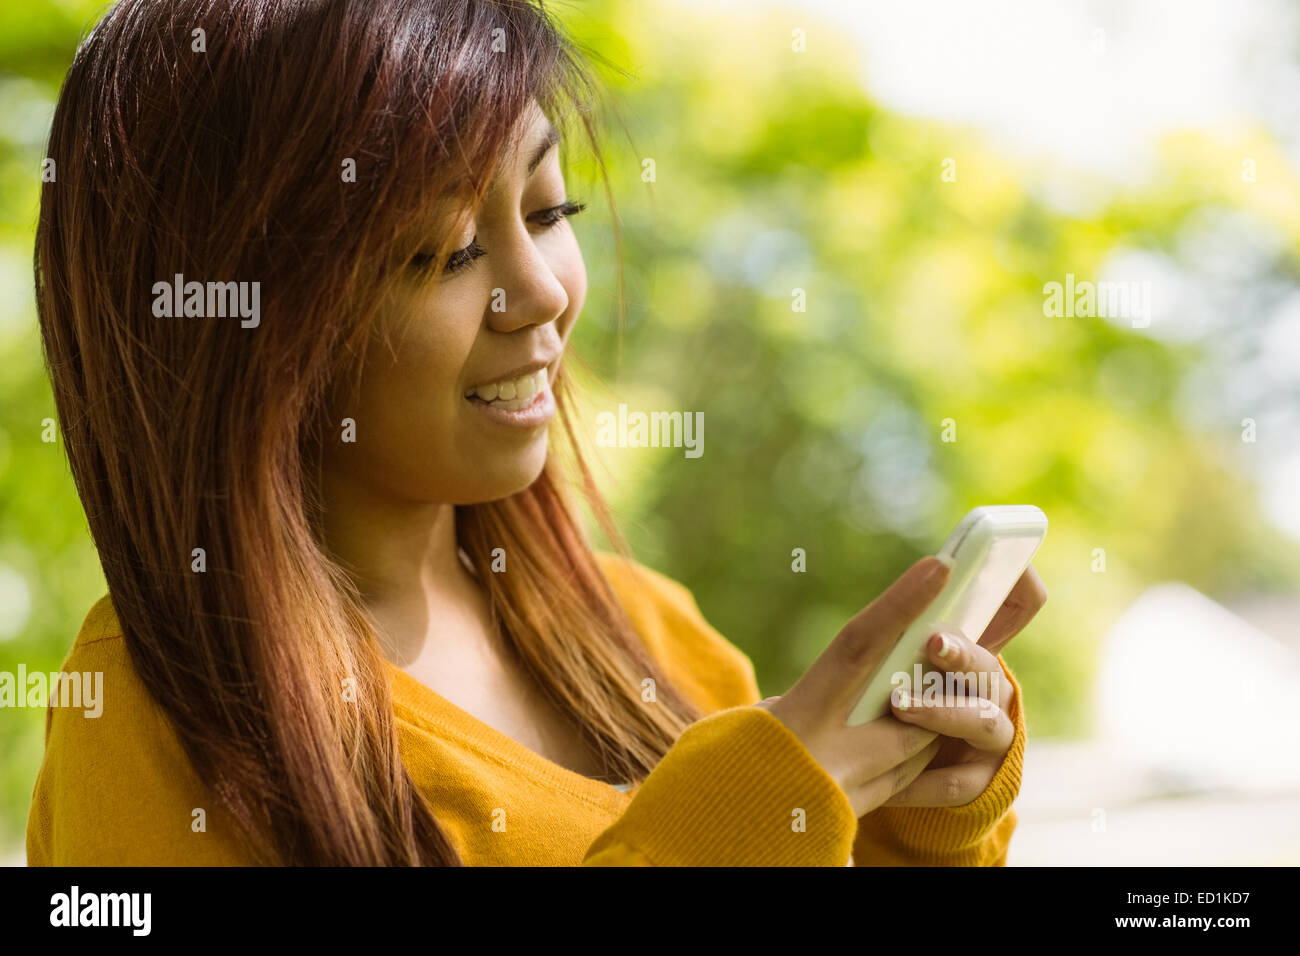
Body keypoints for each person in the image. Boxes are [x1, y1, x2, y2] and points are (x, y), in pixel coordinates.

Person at [27, 0, 1044, 866]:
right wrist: (740, 817)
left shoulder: (651, 630)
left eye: (551, 207)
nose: (543, 291)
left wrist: (918, 811)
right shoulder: (156, 703)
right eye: (443, 251)